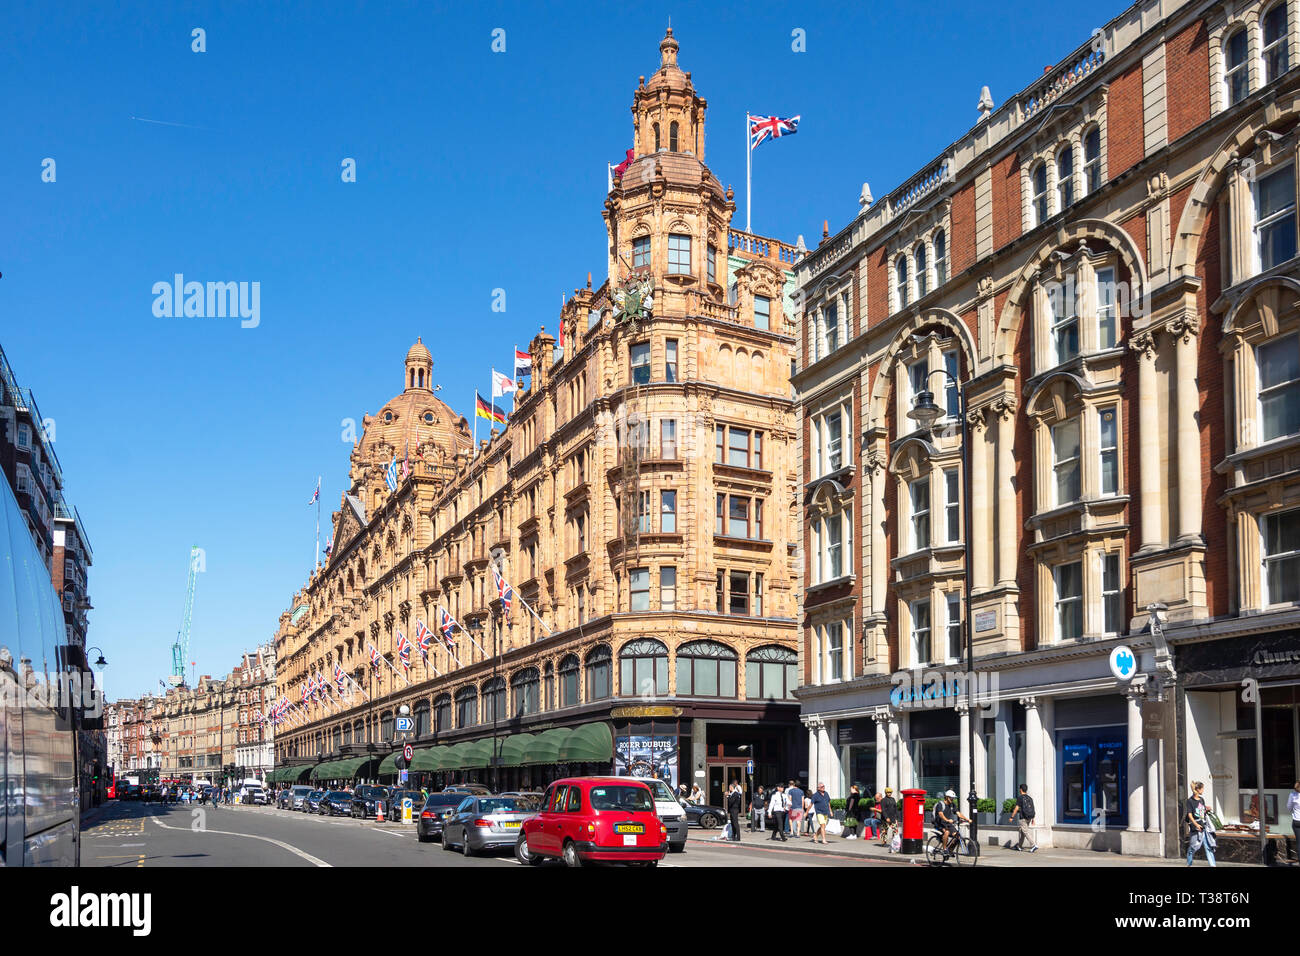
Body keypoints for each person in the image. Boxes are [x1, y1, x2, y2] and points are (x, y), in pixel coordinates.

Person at [1185, 781, 1216, 867]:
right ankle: (1189, 864)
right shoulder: (1190, 801)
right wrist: (1196, 825)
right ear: (1198, 789)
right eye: (1202, 788)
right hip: (1196, 827)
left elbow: (1201, 811)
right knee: (1193, 847)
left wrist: (1206, 809)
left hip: (1204, 826)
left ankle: (1213, 865)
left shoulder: (1202, 799)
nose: (1203, 790)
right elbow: (1190, 815)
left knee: (1208, 847)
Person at [934, 790, 969, 855]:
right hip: (939, 823)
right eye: (951, 798)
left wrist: (967, 819)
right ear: (947, 797)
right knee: (947, 832)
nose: (952, 799)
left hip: (948, 824)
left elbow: (958, 813)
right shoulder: (940, 804)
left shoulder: (952, 805)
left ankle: (949, 850)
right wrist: (947, 820)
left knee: (957, 836)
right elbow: (940, 814)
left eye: (953, 798)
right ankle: (944, 849)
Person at [1010, 783, 1039, 852]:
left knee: (1025, 831)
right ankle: (1019, 846)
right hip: (1029, 817)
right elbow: (1032, 808)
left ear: (1020, 789)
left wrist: (1012, 817)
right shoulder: (1030, 798)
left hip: (1023, 818)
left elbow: (1016, 808)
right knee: (1023, 832)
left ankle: (1033, 845)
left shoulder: (1020, 798)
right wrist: (1033, 819)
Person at [1289, 781, 1300, 864]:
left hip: (1296, 821)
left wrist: (1293, 811)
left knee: (1299, 843)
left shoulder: (1292, 795)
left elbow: (1289, 807)